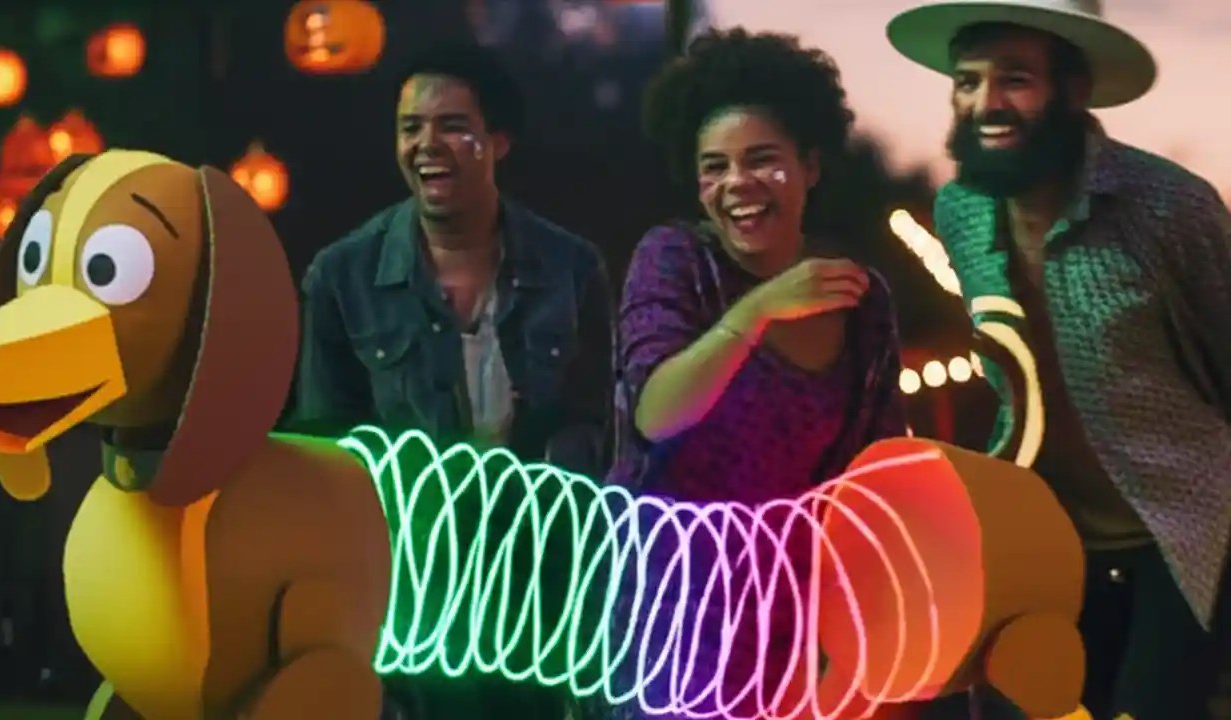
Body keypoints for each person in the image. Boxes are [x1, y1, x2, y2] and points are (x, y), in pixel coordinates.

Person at [887, 1, 1231, 717]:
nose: (986, 103)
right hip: (1041, 538)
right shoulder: (960, 211)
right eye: (967, 81)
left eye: (1014, 79)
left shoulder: (1170, 207)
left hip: (1183, 539)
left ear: (1073, 90)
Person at [294, 41, 613, 720]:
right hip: (406, 595)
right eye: (410, 127)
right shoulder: (342, 276)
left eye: (451, 126)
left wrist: (537, 477)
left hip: (531, 588)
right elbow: (323, 439)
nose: (425, 144)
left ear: (497, 141)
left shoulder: (571, 268)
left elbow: (598, 425)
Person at [605, 28, 908, 720]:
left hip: (799, 625)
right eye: (713, 167)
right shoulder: (675, 259)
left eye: (762, 160)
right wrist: (760, 311)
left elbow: (878, 474)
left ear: (810, 166)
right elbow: (656, 413)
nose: (735, 184)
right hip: (674, 621)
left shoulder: (861, 301)